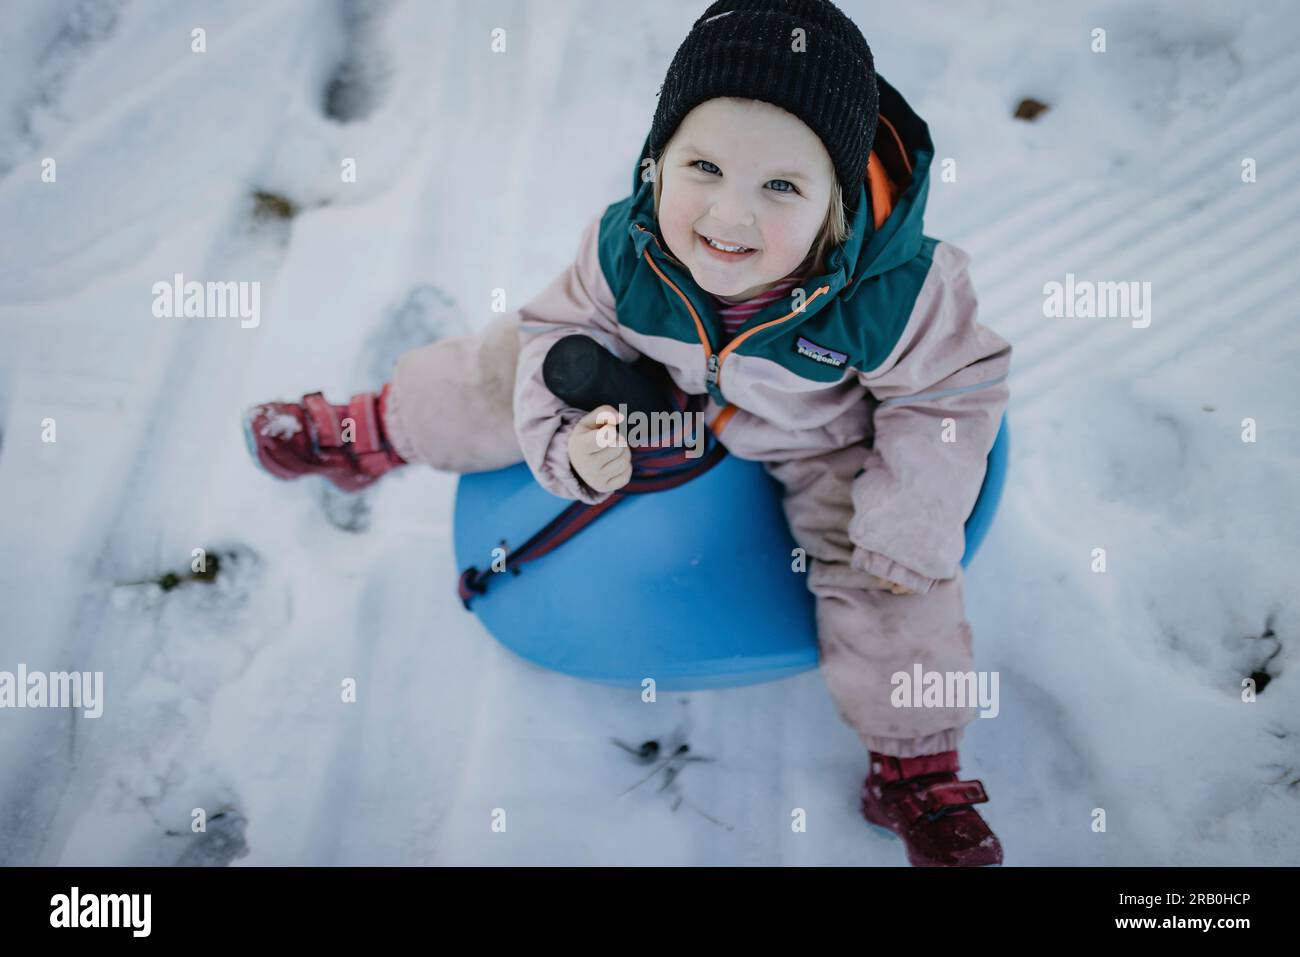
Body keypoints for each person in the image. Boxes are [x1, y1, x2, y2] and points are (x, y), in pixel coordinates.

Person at [244, 0, 1011, 867]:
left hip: (820, 434)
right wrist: (568, 440)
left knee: (889, 578)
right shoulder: (628, 249)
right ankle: (379, 427)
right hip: (664, 380)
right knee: (507, 362)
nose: (730, 216)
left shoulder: (899, 289)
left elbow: (953, 394)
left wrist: (908, 511)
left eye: (782, 186)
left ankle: (916, 763)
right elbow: (552, 337)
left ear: (837, 198)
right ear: (658, 163)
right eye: (704, 167)